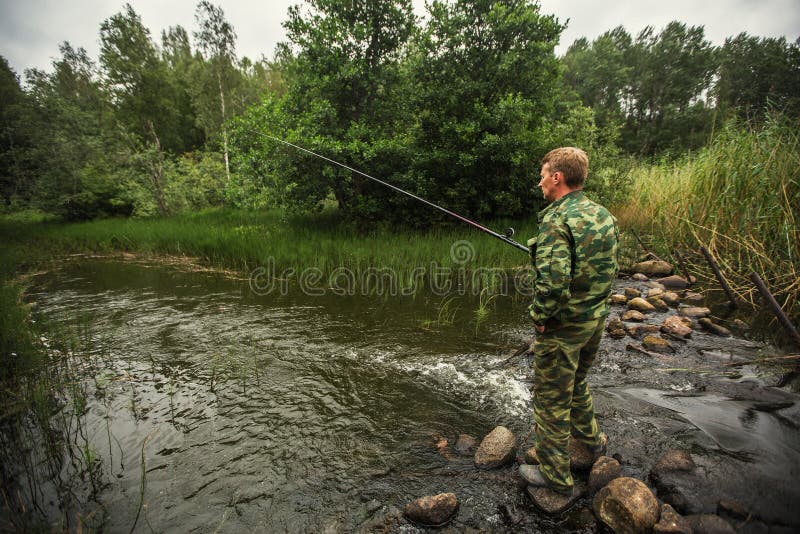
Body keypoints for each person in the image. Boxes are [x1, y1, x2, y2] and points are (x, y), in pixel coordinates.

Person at [519, 147, 619, 501]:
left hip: (564, 328)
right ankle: (592, 441)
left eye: (544, 173)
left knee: (550, 402)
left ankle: (556, 479)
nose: (541, 181)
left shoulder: (555, 220)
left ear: (557, 177)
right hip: (595, 321)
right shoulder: (603, 214)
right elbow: (608, 271)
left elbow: (553, 284)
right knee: (578, 382)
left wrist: (540, 319)